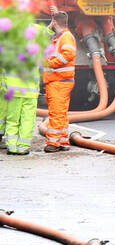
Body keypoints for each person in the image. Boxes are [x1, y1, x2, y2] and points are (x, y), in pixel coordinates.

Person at [42, 11, 76, 152]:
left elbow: (68, 54)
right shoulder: (61, 37)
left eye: (52, 22)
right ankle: (62, 141)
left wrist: (51, 63)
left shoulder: (65, 37)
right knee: (60, 112)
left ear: (54, 22)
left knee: (55, 113)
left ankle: (53, 143)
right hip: (60, 80)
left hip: (59, 81)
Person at [3, 59, 41, 155]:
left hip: (13, 92)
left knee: (12, 120)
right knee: (27, 120)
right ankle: (23, 148)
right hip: (30, 93)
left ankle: (12, 147)